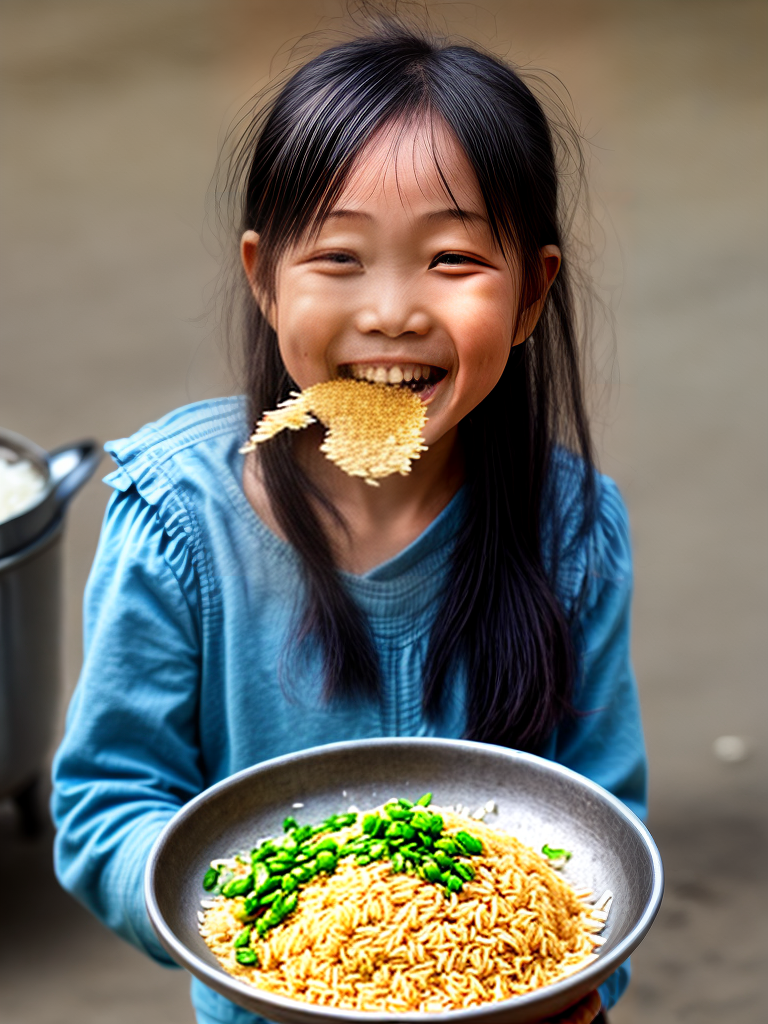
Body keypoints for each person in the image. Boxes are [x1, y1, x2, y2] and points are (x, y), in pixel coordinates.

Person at [52, 19, 645, 1024]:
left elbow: (602, 823)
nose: (392, 312)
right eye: (338, 255)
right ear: (263, 276)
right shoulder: (179, 517)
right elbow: (105, 802)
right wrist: (274, 920)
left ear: (532, 294)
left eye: (451, 258)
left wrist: (578, 981)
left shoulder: (572, 528)